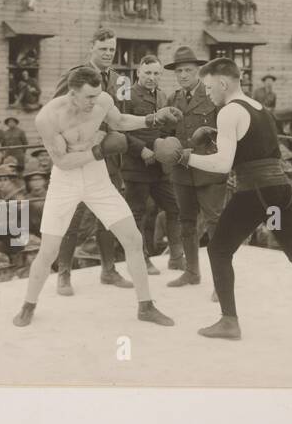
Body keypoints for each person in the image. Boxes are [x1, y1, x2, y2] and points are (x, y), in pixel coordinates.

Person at [153, 57, 292, 339]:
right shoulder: (259, 107)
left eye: (208, 86)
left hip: (255, 193)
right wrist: (216, 137)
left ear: (223, 82)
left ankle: (229, 321)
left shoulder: (229, 111)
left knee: (218, 250)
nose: (207, 93)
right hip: (278, 192)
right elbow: (255, 146)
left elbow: (222, 164)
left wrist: (185, 157)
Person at [12, 65, 182, 327]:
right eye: (89, 97)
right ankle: (28, 305)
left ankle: (146, 306)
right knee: (48, 250)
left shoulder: (102, 100)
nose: (95, 102)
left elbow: (121, 122)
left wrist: (153, 119)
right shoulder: (48, 118)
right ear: (72, 94)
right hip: (65, 180)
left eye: (97, 95)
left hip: (96, 177)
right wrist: (99, 151)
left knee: (133, 238)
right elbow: (63, 161)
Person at [50, 29, 133, 293]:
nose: (108, 54)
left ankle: (108, 270)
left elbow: (123, 118)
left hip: (110, 159)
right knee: (73, 216)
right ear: (91, 48)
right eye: (103, 49)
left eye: (112, 49)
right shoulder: (76, 76)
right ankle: (64, 274)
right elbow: (55, 112)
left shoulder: (122, 80)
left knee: (108, 217)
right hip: (82, 156)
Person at [162, 45, 226, 286]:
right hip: (182, 172)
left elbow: (226, 132)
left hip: (208, 171)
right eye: (179, 71)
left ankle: (221, 281)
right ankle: (192, 271)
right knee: (186, 222)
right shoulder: (173, 99)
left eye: (188, 70)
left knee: (214, 224)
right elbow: (166, 133)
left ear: (198, 71)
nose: (183, 75)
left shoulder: (213, 96)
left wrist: (201, 144)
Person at [121, 55, 183, 275]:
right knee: (137, 213)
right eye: (147, 73)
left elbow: (163, 129)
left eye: (156, 73)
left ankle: (176, 257)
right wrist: (141, 149)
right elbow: (119, 129)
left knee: (175, 207)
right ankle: (140, 260)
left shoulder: (162, 96)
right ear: (138, 72)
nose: (152, 77)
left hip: (159, 166)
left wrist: (169, 142)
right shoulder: (126, 94)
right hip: (136, 165)